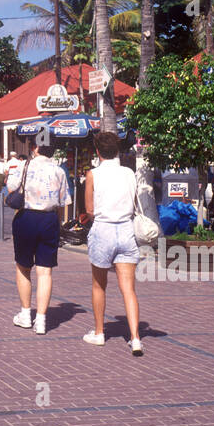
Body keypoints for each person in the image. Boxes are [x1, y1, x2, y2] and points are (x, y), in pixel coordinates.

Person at [82, 132, 143, 354]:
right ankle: (135, 337)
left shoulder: (93, 175)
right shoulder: (129, 173)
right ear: (117, 150)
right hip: (126, 229)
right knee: (128, 288)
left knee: (99, 284)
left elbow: (89, 210)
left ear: (98, 152)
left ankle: (99, 333)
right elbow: (135, 201)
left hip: (104, 229)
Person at [5, 143, 71, 335]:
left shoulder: (22, 166)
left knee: (23, 267)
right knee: (45, 272)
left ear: (35, 148)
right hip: (49, 219)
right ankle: (41, 320)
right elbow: (63, 201)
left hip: (26, 217)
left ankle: (26, 314)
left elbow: (10, 188)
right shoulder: (59, 171)